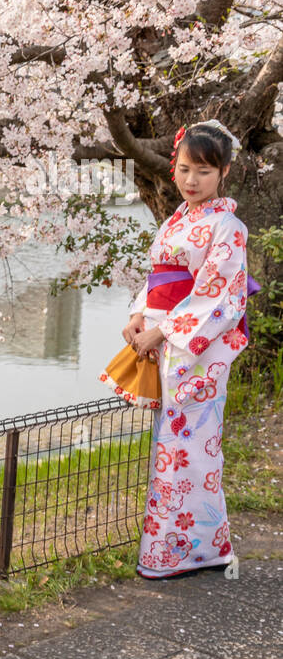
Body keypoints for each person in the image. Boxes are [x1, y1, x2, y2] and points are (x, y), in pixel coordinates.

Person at [114, 120, 253, 579]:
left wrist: (162, 331)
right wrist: (139, 314)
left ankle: (178, 552)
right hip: (171, 345)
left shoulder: (228, 226)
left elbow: (219, 296)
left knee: (191, 449)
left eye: (204, 172)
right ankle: (202, 548)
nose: (192, 181)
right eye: (185, 168)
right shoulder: (179, 218)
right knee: (173, 446)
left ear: (225, 173)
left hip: (200, 353)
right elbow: (160, 279)